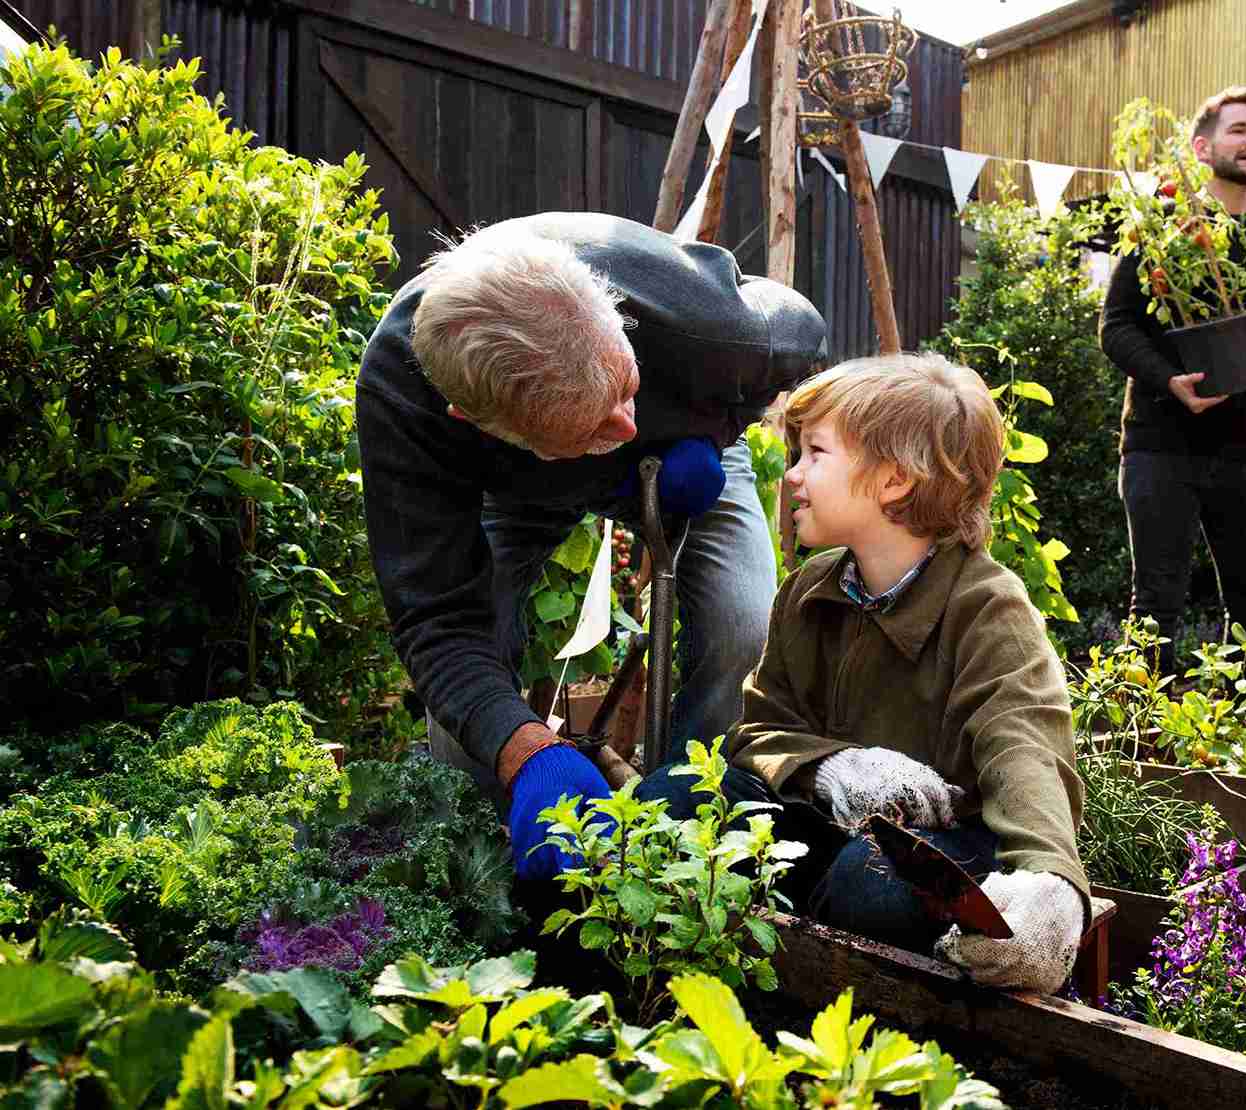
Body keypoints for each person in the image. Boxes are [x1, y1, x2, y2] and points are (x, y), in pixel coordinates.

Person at [356, 212, 826, 880]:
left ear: (613, 317)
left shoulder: (713, 325)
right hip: (516, 486)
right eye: (596, 423)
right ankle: (493, 873)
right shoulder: (405, 401)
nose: (625, 422)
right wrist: (524, 751)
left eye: (626, 389)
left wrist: (715, 429)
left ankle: (695, 836)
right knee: (467, 697)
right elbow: (435, 620)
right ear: (473, 420)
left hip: (685, 458)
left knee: (742, 628)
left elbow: (802, 338)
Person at [636, 352, 1091, 995]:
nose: (792, 476)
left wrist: (1049, 879)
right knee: (669, 801)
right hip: (822, 822)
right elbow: (761, 728)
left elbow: (1027, 747)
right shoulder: (810, 590)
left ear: (895, 481)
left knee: (869, 882)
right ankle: (700, 977)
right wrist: (832, 765)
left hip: (953, 847)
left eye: (815, 453)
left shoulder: (987, 605)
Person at [1098, 86, 1246, 697]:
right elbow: (1115, 326)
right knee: (1156, 607)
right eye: (1238, 130)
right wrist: (1168, 378)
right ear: (1202, 148)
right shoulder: (1159, 225)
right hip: (1159, 444)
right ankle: (1142, 751)